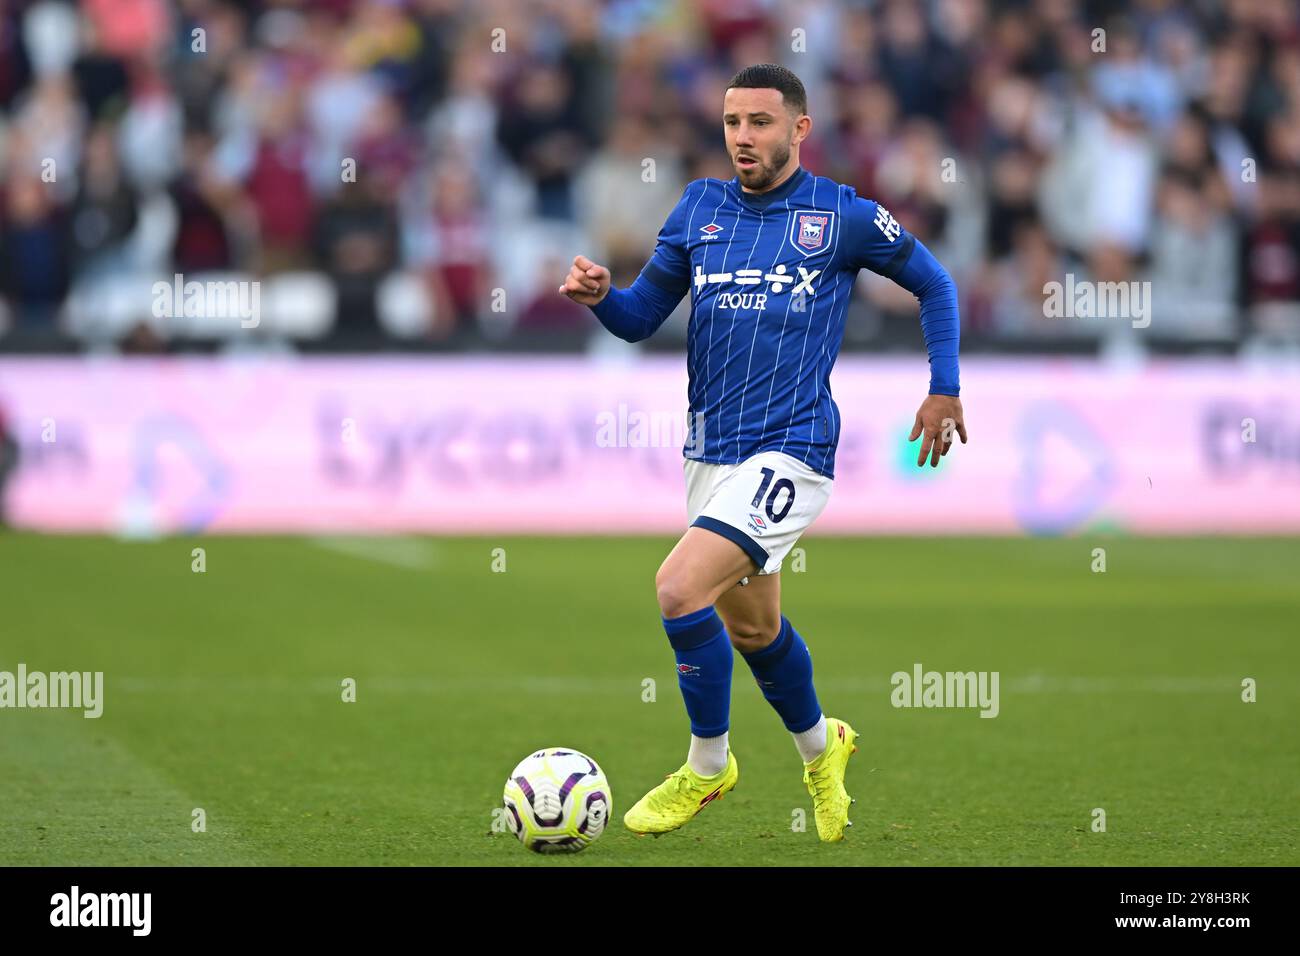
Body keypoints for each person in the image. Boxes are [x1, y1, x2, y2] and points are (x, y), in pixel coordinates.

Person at [558, 64, 967, 842]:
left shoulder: (839, 215)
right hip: (712, 450)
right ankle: (823, 748)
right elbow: (643, 317)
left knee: (679, 590)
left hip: (795, 448)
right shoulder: (699, 208)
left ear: (799, 130)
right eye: (732, 122)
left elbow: (936, 283)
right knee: (753, 632)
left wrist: (942, 386)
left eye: (760, 123)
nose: (743, 137)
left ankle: (707, 767)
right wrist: (603, 295)